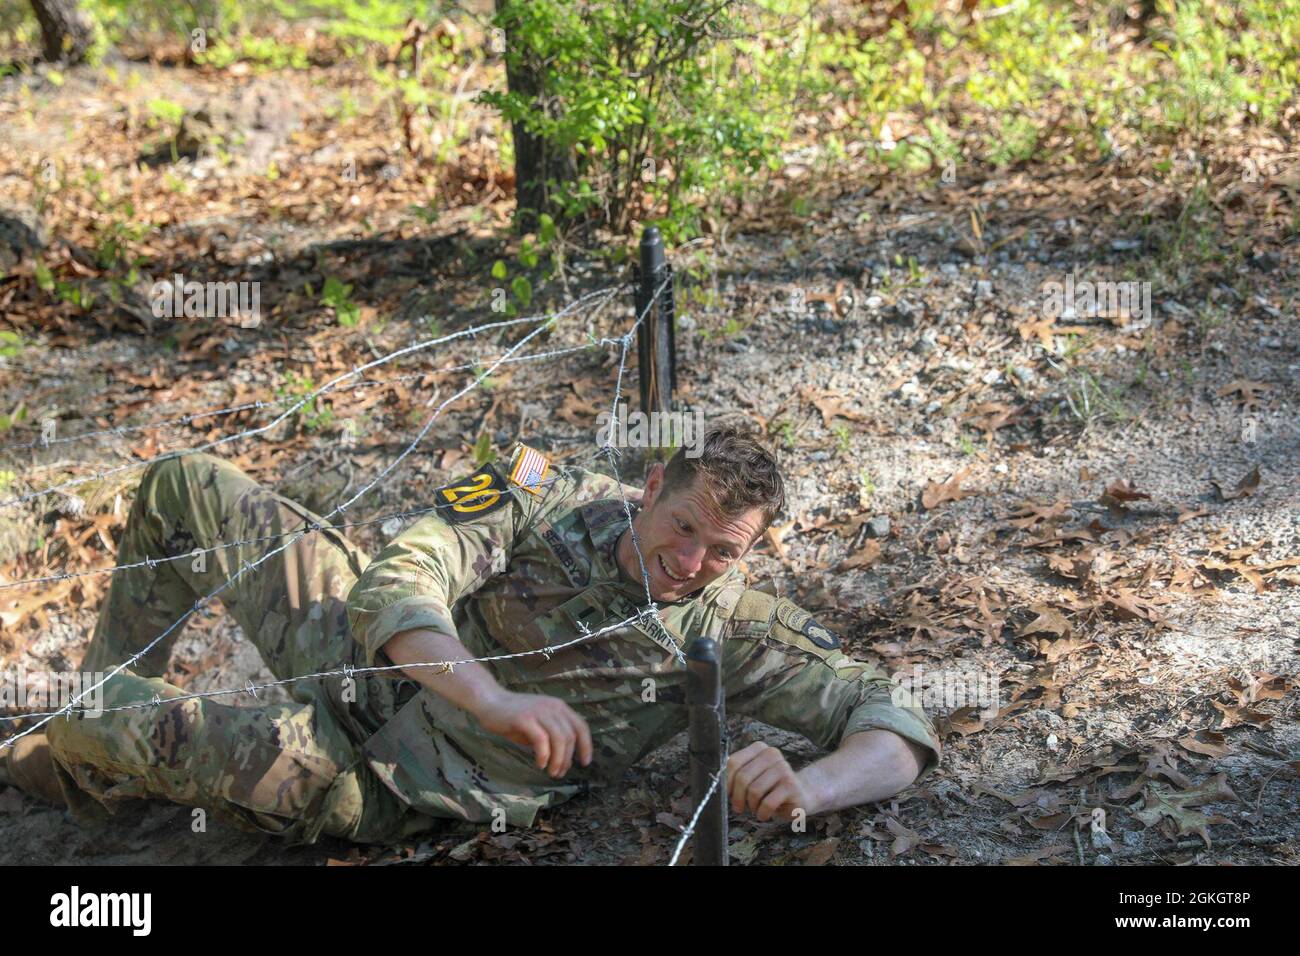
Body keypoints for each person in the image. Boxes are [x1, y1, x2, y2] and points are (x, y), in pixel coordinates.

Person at [1, 421, 940, 845]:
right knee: (182, 483)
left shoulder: (728, 630)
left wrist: (807, 786)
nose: (690, 562)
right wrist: (492, 695)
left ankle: (75, 746)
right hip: (361, 655)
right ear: (652, 487)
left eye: (723, 553)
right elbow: (402, 577)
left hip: (374, 773)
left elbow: (894, 726)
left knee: (88, 711)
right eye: (683, 527)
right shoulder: (539, 487)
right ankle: (84, 759)